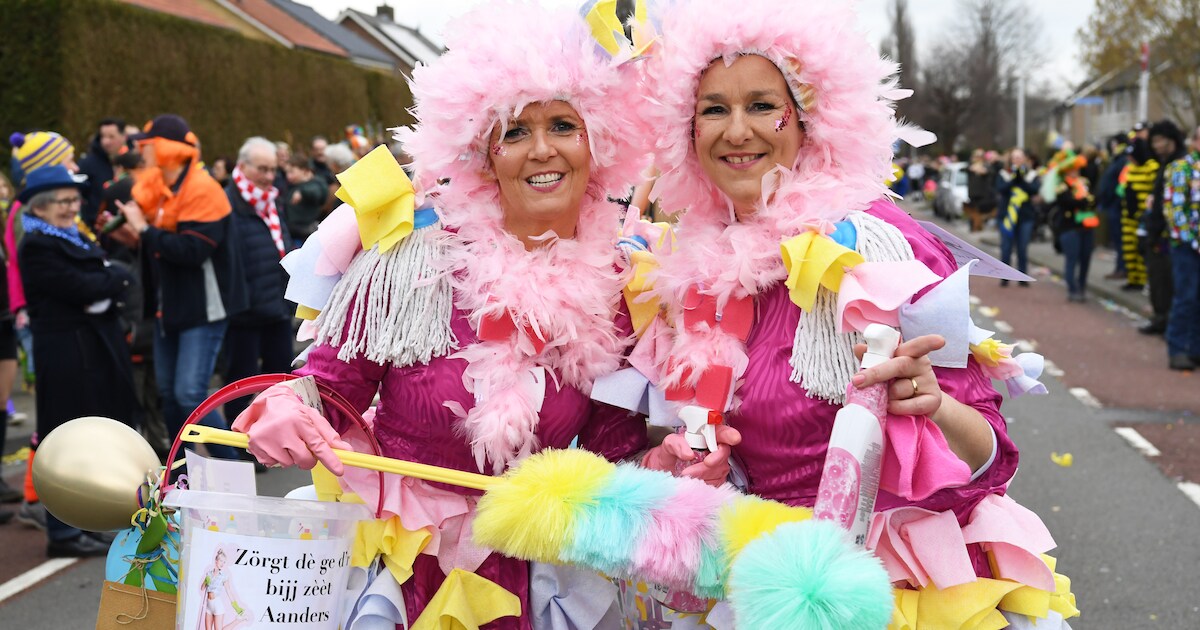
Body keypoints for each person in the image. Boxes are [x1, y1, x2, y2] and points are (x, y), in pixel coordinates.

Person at [635, 1, 1074, 627]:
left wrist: (933, 404)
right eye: (714, 109)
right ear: (687, 128)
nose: (736, 131)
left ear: (810, 116)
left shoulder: (876, 243)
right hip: (764, 584)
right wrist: (695, 463)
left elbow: (991, 455)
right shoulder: (690, 271)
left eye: (762, 105)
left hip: (889, 587)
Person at [233, 3, 648, 628]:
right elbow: (330, 388)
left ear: (598, 142)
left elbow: (612, 453)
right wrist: (291, 406)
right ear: (482, 154)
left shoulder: (618, 288)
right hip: (404, 567)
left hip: (537, 577)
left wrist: (666, 472)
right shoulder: (411, 261)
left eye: (563, 124)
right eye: (513, 132)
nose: (542, 151)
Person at [17, 165, 136, 556]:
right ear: (41, 207)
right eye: (63, 202)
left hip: (92, 346)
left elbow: (99, 283)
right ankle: (63, 533)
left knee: (99, 430)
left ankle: (89, 520)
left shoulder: (70, 236)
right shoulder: (37, 244)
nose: (72, 208)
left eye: (73, 200)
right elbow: (81, 287)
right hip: (67, 352)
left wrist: (106, 283)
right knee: (66, 436)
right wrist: (111, 280)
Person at [116, 114, 245, 461]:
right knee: (170, 395)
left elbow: (193, 250)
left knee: (189, 395)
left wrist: (144, 230)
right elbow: (160, 246)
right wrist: (132, 233)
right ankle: (183, 469)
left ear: (168, 149)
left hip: (203, 309)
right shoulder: (160, 187)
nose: (142, 151)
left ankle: (232, 467)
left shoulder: (203, 189)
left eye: (148, 145)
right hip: (168, 308)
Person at [221, 137, 294, 424]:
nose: (268, 176)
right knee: (241, 381)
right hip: (245, 309)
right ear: (242, 166)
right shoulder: (228, 203)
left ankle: (274, 437)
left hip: (275, 303)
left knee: (280, 378)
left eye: (272, 169)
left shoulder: (271, 200)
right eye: (262, 169)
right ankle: (239, 442)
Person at [1159, 123, 1198, 371]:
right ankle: (1177, 349)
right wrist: (1193, 240)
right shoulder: (1180, 168)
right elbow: (1173, 209)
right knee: (1186, 297)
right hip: (1186, 246)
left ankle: (1195, 349)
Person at [1145, 120, 1185, 344]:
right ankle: (1161, 319)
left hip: (1167, 233)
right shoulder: (1165, 163)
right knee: (1158, 279)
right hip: (1159, 230)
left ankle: (1166, 323)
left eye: (1161, 140)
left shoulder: (1177, 164)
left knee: (1165, 280)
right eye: (1154, 141)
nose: (1157, 145)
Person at [1048, 151, 1098, 302]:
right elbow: (1066, 202)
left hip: (1086, 226)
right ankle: (1072, 289)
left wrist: (1086, 201)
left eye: (1077, 169)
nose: (1075, 172)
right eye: (1072, 169)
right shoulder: (1062, 186)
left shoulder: (1084, 183)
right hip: (1069, 228)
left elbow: (1093, 200)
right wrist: (1083, 202)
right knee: (1072, 259)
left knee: (1085, 258)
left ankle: (1081, 287)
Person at [996, 147, 1040, 286]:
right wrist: (1013, 180)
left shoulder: (1031, 174)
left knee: (1022, 247)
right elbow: (1000, 189)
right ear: (1011, 160)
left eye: (1020, 157)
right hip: (1007, 216)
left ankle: (1022, 276)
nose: (1017, 160)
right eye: (1014, 157)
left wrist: (1022, 180)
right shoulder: (1003, 173)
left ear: (1025, 159)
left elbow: (1034, 189)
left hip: (1025, 217)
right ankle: (1005, 276)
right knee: (1006, 248)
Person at [1123, 126, 1156, 297]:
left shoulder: (1151, 167)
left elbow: (1154, 192)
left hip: (1142, 217)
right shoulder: (1130, 168)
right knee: (1130, 250)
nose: (1130, 159)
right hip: (1128, 216)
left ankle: (1142, 280)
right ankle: (1133, 279)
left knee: (1141, 250)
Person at [77, 118, 130, 225]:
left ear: (124, 137)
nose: (106, 141)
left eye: (111, 137)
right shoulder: (87, 163)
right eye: (103, 136)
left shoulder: (133, 162)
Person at [1098, 134, 1130, 280]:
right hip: (1111, 205)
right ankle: (1119, 267)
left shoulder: (1122, 160)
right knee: (1116, 239)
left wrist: (1114, 201)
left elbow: (1121, 183)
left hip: (1116, 206)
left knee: (1120, 239)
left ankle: (1122, 268)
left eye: (1115, 143)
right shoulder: (1116, 159)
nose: (1112, 146)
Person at [965, 148, 997, 232]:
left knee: (983, 212)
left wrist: (980, 168)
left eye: (980, 156)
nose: (978, 158)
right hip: (973, 194)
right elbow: (969, 169)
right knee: (973, 213)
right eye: (976, 156)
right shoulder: (970, 165)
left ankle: (980, 226)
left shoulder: (987, 165)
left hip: (984, 195)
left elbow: (987, 171)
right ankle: (974, 227)